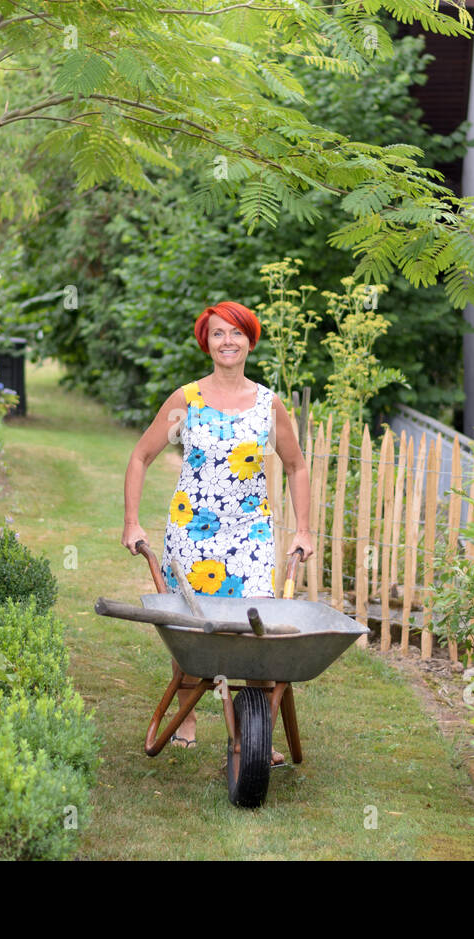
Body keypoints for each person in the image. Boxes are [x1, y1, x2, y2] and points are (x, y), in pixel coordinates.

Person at [122, 301, 313, 766]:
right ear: (206, 342)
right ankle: (187, 715)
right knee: (194, 628)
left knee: (256, 634)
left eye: (235, 333)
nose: (227, 342)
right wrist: (131, 520)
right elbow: (140, 457)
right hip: (192, 532)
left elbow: (296, 465)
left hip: (250, 536)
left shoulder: (269, 404)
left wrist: (304, 529)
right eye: (217, 334)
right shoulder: (186, 400)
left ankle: (253, 738)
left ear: (250, 340)